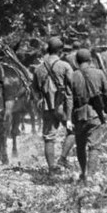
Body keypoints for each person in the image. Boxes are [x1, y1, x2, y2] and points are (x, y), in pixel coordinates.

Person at [30, 37, 73, 172]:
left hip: (46, 106)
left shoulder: (38, 68)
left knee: (49, 138)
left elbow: (34, 90)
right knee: (73, 130)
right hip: (62, 106)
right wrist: (70, 116)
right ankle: (63, 158)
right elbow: (72, 89)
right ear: (60, 51)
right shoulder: (65, 66)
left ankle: (51, 168)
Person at [69, 48, 107, 181]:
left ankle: (83, 172)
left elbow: (68, 98)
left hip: (78, 115)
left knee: (80, 147)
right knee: (94, 146)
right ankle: (91, 176)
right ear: (90, 60)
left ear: (76, 61)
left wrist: (69, 118)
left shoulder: (72, 76)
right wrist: (106, 111)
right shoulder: (99, 73)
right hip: (95, 114)